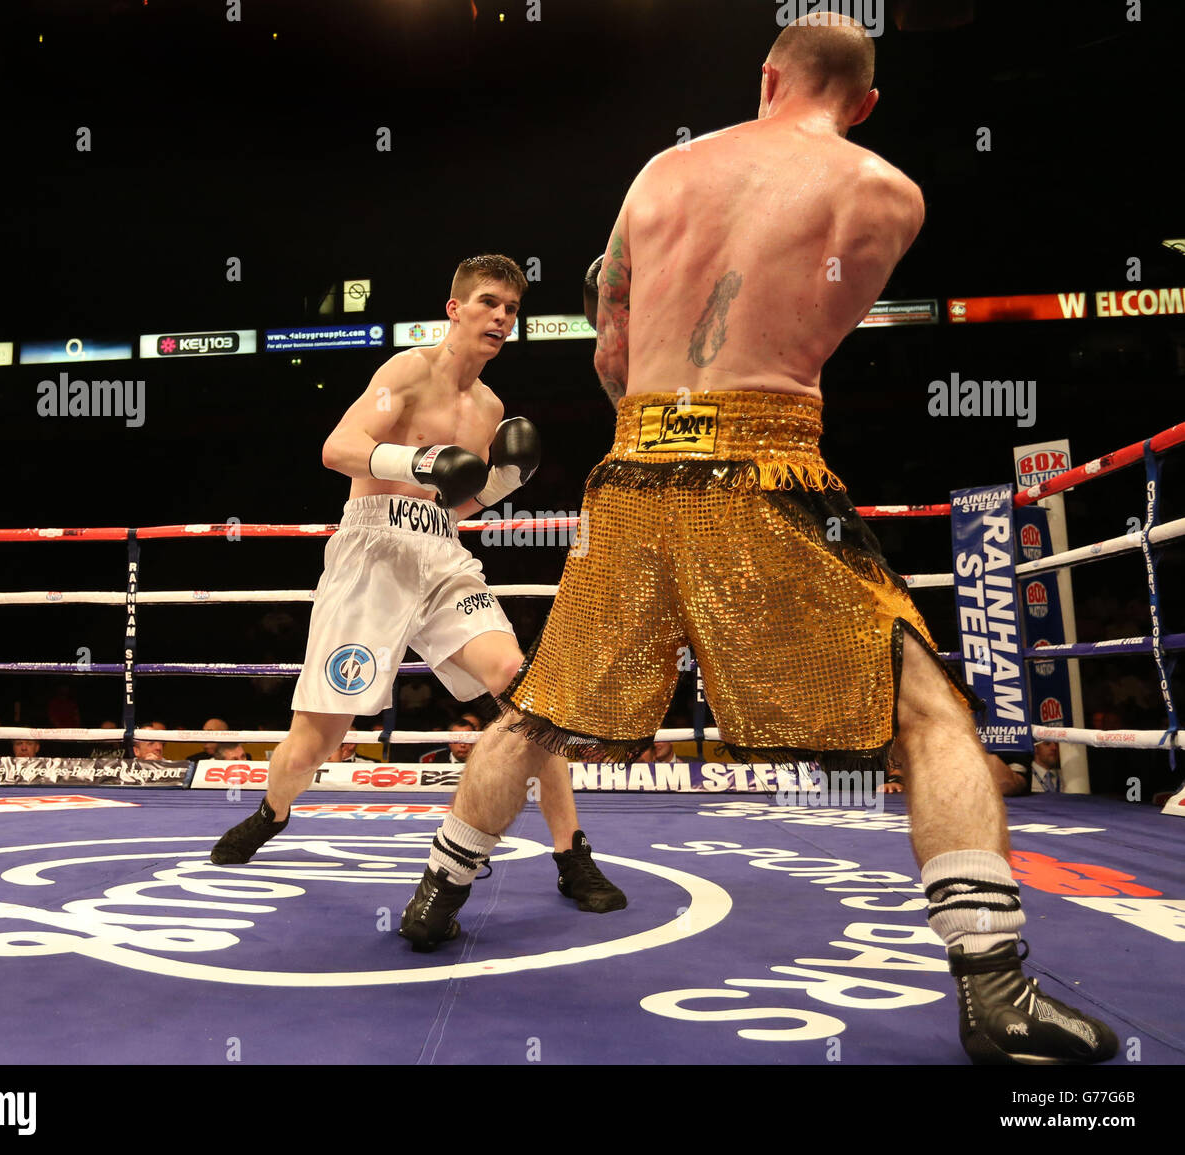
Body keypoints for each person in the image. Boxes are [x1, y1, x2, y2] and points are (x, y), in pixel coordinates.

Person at [399, 18, 1115, 1066]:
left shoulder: (659, 173)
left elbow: (612, 347)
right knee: (926, 710)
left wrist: (664, 407)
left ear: (767, 76)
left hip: (630, 472)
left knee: (544, 706)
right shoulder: (884, 190)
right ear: (866, 102)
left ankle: (436, 892)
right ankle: (995, 986)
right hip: (765, 465)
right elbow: (807, 330)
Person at [211, 254, 626, 917]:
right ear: (454, 308)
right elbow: (338, 447)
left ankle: (570, 852)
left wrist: (501, 483)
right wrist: (419, 457)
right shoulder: (406, 371)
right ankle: (272, 810)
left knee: (527, 692)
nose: (501, 317)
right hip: (371, 553)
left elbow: (456, 500)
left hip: (441, 551)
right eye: (489, 302)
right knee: (318, 737)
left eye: (511, 309)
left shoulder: (490, 407)